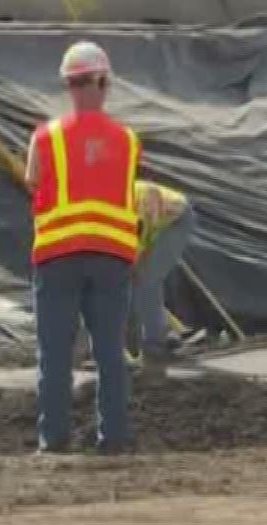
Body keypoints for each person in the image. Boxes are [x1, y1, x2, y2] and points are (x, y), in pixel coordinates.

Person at [25, 41, 140, 455]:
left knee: (55, 355)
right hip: (111, 257)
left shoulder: (45, 138)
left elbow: (33, 182)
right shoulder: (128, 140)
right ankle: (114, 440)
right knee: (110, 354)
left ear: (68, 85)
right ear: (104, 81)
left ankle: (54, 441)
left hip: (57, 257)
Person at [129, 179, 196, 369]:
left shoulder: (138, 202)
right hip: (154, 223)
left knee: (147, 282)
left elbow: (146, 235)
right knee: (139, 282)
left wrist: (136, 264)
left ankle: (155, 344)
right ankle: (166, 334)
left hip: (176, 219)